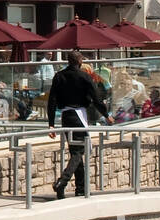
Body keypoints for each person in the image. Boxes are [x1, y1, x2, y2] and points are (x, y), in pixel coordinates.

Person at [47, 51, 113, 199]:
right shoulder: (84, 77)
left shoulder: (59, 76)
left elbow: (51, 101)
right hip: (78, 116)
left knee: (75, 152)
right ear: (80, 62)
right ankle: (62, 182)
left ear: (68, 61)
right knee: (79, 152)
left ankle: (80, 189)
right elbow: (97, 99)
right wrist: (107, 115)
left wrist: (51, 124)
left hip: (65, 117)